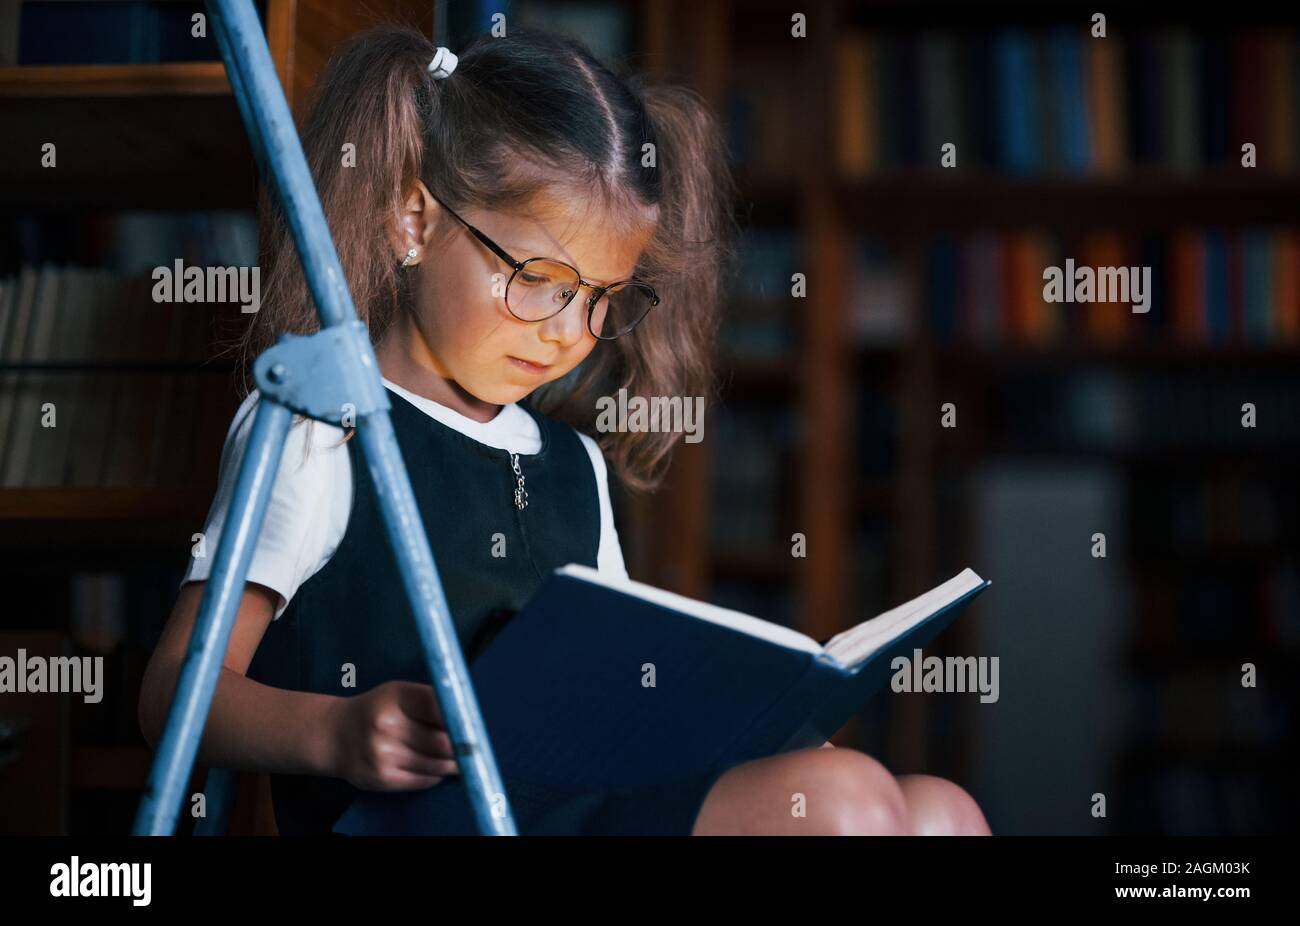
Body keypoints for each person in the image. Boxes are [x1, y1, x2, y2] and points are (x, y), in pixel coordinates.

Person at [138, 24, 990, 836]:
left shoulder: (574, 468)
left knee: (938, 810)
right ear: (414, 221)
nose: (569, 333)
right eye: (541, 279)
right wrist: (337, 732)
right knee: (841, 801)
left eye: (600, 299)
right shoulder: (323, 430)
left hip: (566, 808)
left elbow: (614, 696)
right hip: (417, 823)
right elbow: (173, 692)